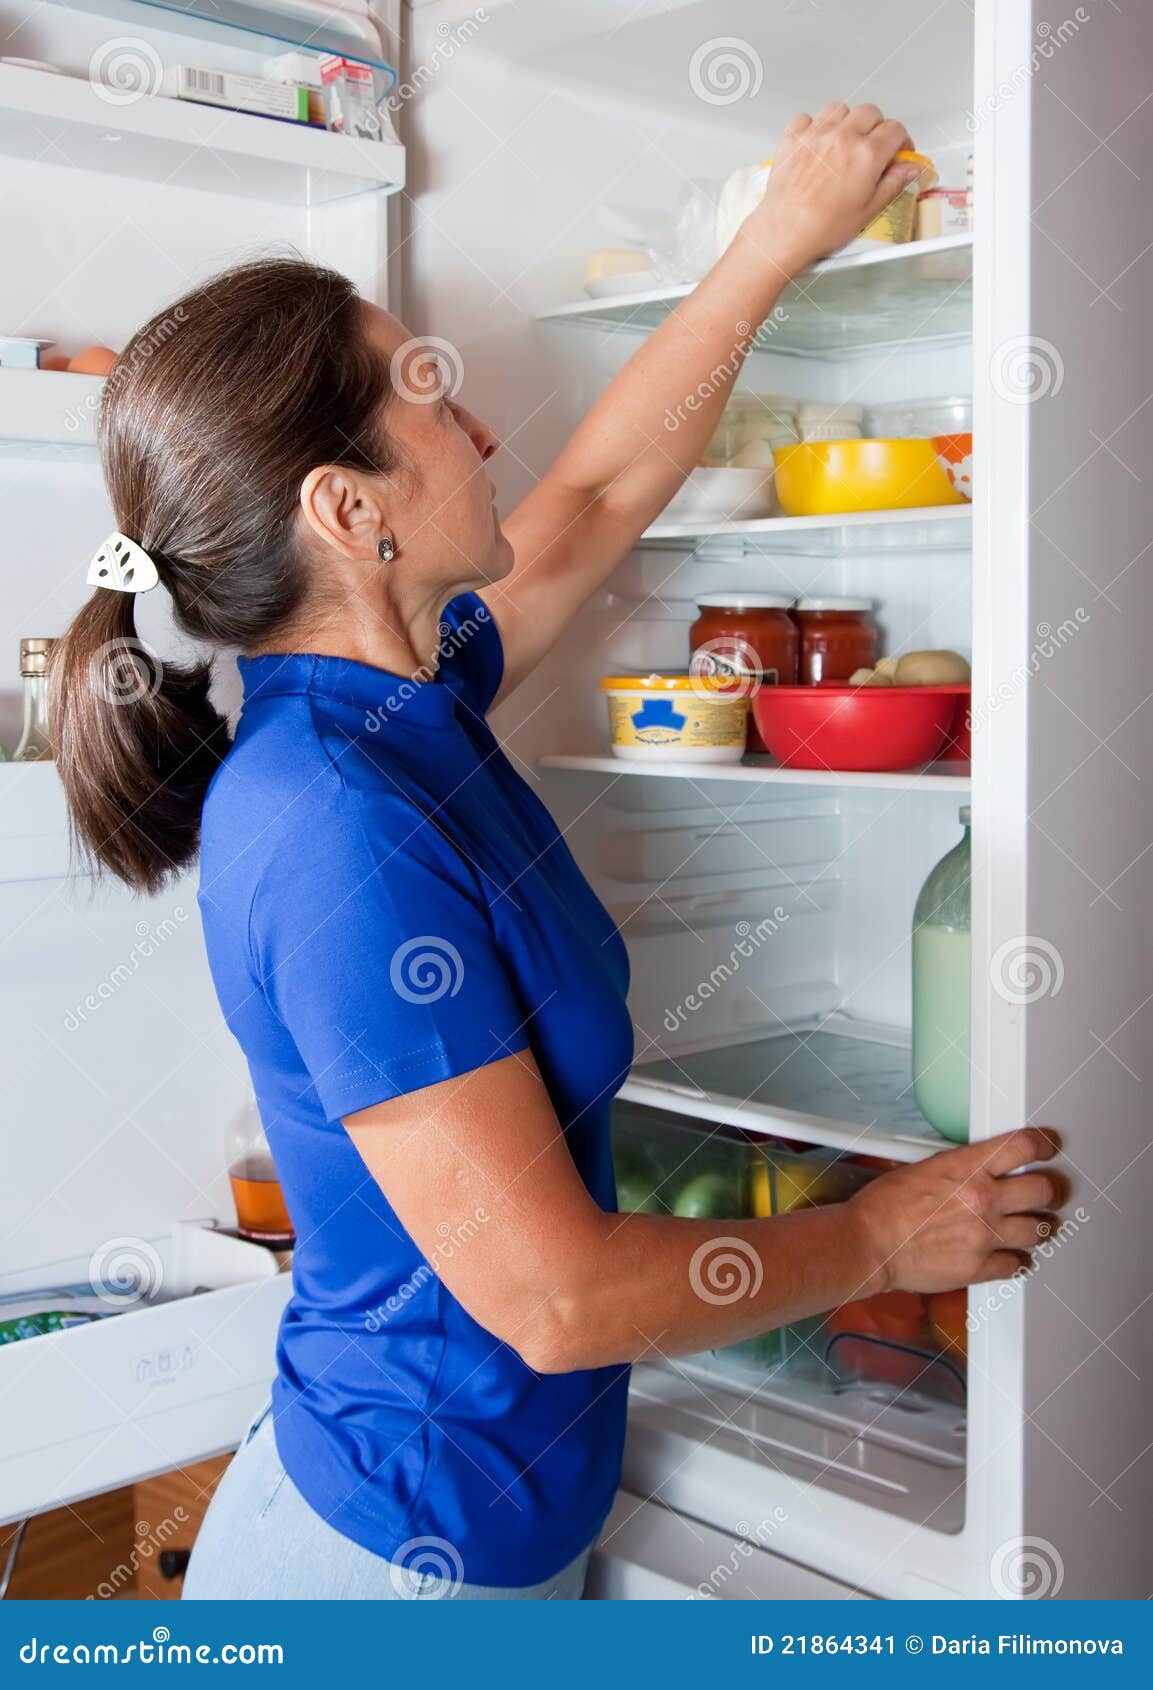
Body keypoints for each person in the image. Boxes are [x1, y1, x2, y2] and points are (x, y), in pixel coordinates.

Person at [51, 104, 1061, 1601]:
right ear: (346, 508)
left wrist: (776, 238)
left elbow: (593, 499)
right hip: (390, 1569)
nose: (482, 427)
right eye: (429, 401)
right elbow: (551, 1294)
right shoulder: (334, 819)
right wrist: (875, 1237)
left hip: (477, 1531)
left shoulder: (396, 710)